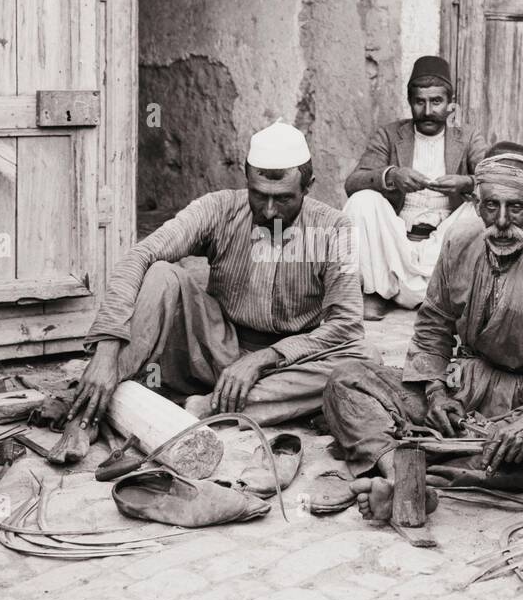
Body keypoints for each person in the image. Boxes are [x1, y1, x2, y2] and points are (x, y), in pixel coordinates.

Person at [324, 142, 523, 499]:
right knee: (347, 379)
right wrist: (437, 394)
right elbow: (433, 327)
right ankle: (401, 470)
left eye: (516, 207)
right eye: (491, 206)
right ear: (476, 205)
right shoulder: (458, 243)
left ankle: (434, 464)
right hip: (467, 387)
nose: (501, 222)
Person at [70, 121, 366, 429]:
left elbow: (346, 325)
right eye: (258, 195)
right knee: (160, 273)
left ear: (308, 186)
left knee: (359, 359)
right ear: (247, 178)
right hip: (215, 350)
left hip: (289, 363)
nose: (268, 211)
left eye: (283, 199)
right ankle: (98, 398)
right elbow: (141, 254)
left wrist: (264, 357)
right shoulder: (219, 208)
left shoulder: (336, 229)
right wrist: (105, 351)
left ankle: (210, 405)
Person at [343, 55, 487, 319]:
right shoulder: (389, 135)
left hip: (444, 242)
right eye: (420, 102)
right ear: (410, 103)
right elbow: (353, 183)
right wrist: (391, 175)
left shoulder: (467, 139)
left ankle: (437, 294)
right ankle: (377, 291)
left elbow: (494, 180)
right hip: (398, 241)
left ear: (450, 106)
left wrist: (466, 183)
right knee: (361, 201)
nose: (428, 111)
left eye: (436, 102)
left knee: (480, 213)